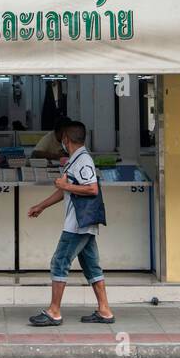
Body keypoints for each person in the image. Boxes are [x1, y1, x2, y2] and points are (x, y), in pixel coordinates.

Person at [27, 120, 114, 326]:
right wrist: (42, 205)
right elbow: (65, 189)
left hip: (77, 224)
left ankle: (54, 312)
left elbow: (92, 189)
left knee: (59, 262)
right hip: (83, 223)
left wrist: (65, 185)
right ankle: (104, 310)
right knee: (91, 266)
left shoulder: (83, 160)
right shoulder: (75, 159)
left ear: (66, 139)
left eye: (63, 140)